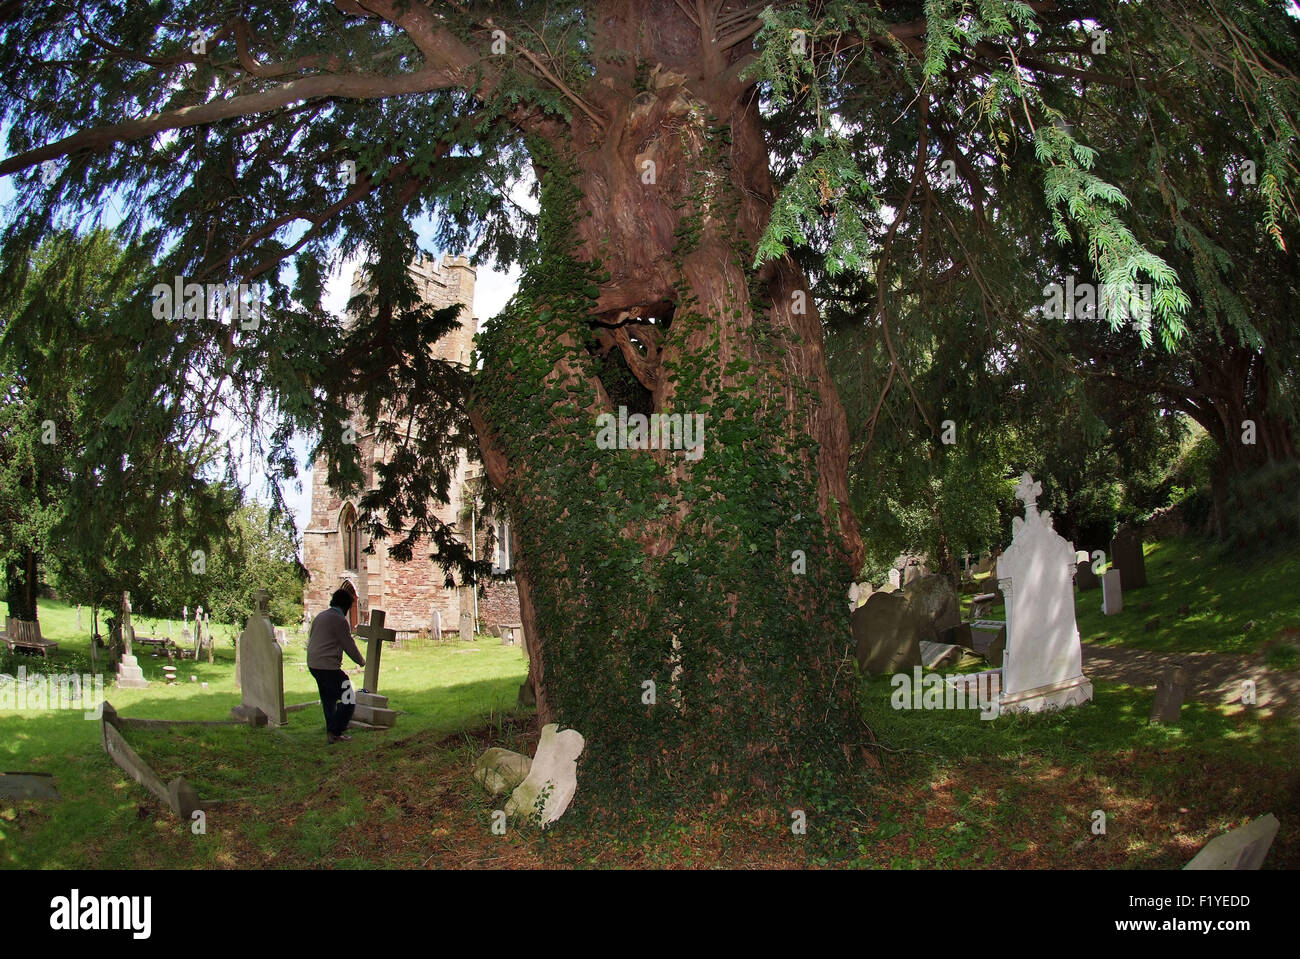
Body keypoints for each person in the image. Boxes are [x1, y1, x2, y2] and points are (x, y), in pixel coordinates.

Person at [307, 588, 366, 744]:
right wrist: (361, 661)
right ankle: (336, 731)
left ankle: (331, 733)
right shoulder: (340, 620)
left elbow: (312, 638)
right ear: (346, 606)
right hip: (328, 667)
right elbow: (348, 644)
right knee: (349, 699)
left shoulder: (320, 616)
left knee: (329, 698)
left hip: (314, 665)